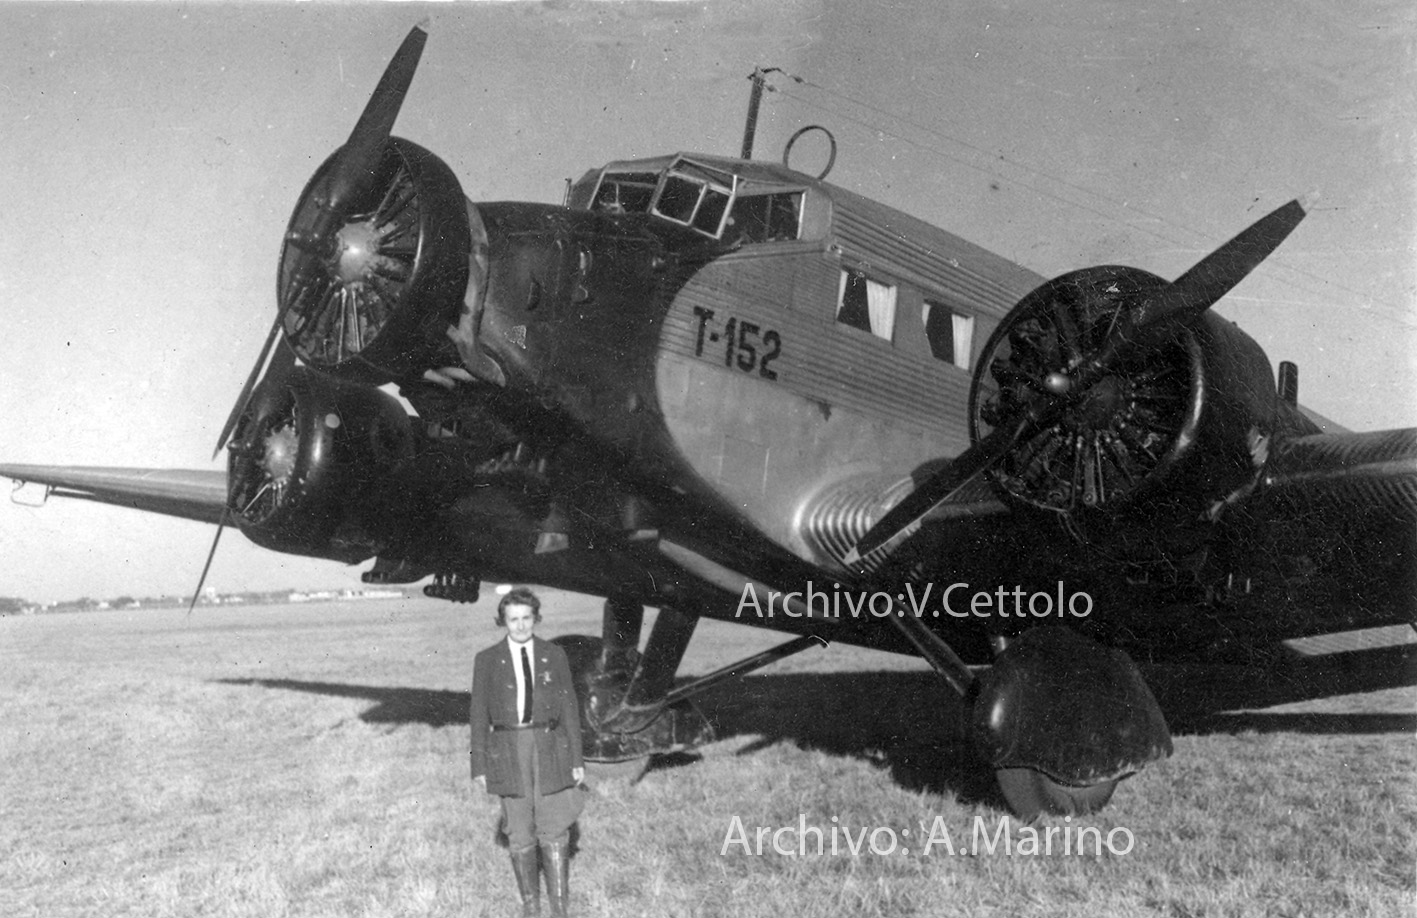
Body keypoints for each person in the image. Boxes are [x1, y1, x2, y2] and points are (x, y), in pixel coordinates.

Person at [470, 587, 585, 917]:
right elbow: (478, 715)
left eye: (526, 618)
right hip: (508, 748)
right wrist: (479, 764)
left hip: (549, 746)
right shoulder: (487, 659)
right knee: (519, 828)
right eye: (513, 619)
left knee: (554, 824)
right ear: (503, 621)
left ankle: (559, 908)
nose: (520, 626)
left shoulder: (554, 654)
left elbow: (569, 708)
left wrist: (576, 760)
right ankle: (531, 908)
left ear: (536, 618)